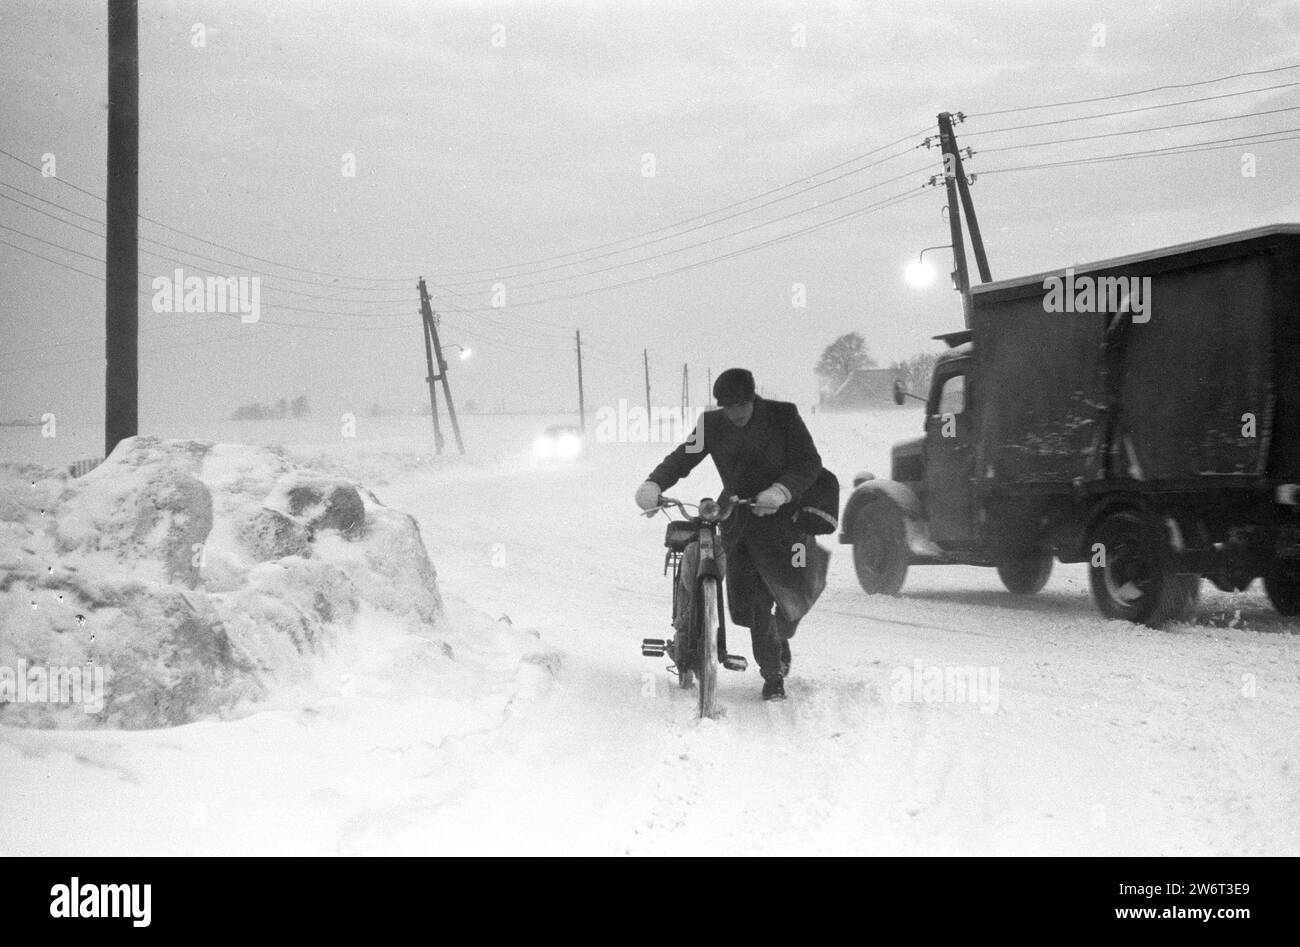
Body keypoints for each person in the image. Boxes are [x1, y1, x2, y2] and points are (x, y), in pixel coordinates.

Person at [635, 368, 827, 700]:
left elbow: (809, 462)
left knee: (788, 595)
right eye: (728, 407)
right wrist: (654, 484)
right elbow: (684, 456)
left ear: (753, 399)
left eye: (741, 406)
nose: (735, 414)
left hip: (784, 520)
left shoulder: (784, 417)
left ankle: (773, 673)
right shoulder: (711, 425)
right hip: (739, 519)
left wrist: (780, 491)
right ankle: (772, 657)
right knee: (746, 605)